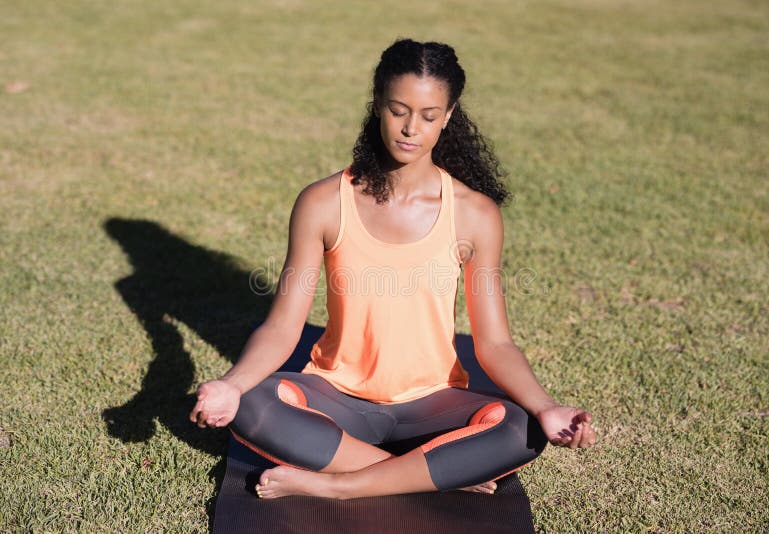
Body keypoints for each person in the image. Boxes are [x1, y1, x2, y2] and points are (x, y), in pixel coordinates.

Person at [190, 38, 596, 500]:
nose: (411, 129)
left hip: (433, 401)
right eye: (398, 110)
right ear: (378, 105)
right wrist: (230, 384)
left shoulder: (475, 215)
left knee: (522, 429)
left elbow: (495, 343)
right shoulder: (323, 203)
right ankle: (429, 475)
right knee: (254, 404)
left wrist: (546, 407)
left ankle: (339, 487)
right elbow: (283, 327)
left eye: (428, 115)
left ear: (448, 116)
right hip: (337, 397)